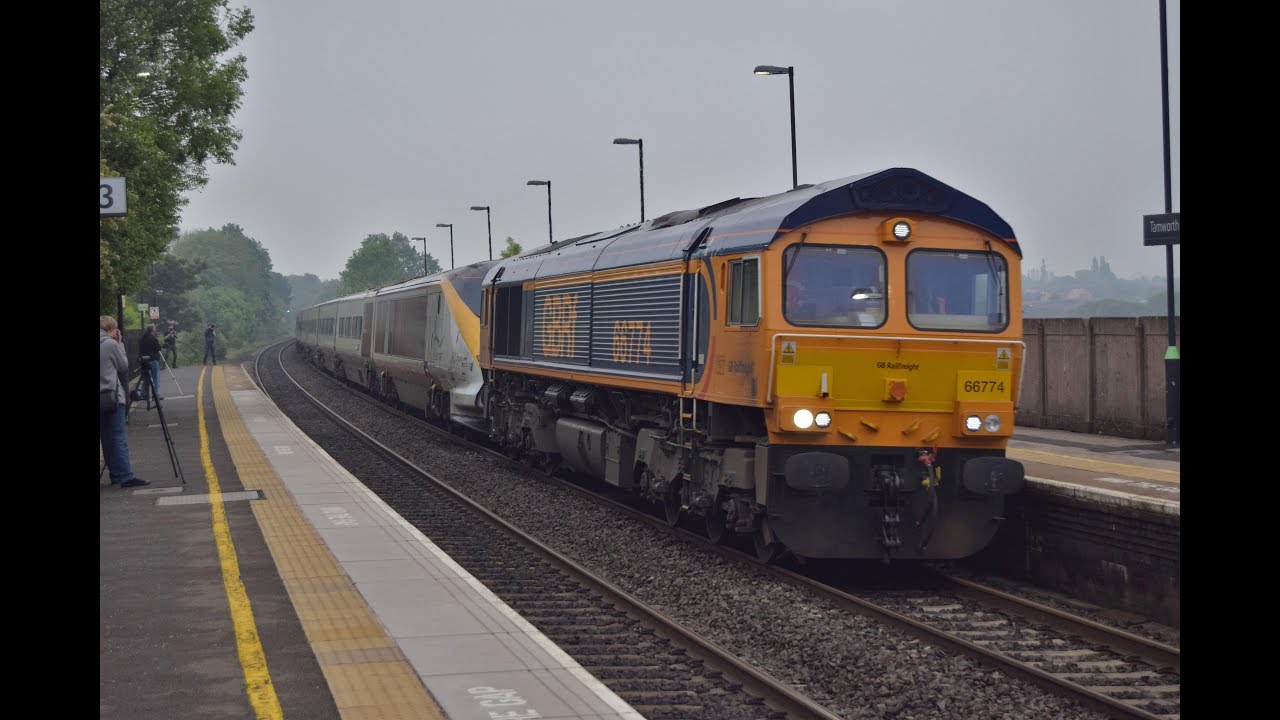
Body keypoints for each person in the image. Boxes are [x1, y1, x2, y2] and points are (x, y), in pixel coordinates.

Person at [100, 315, 149, 488]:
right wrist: (119, 343)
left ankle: (115, 473)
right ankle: (125, 476)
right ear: (111, 330)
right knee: (117, 436)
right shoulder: (110, 344)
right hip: (112, 396)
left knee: (106, 438)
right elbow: (123, 366)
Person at [139, 325, 163, 402]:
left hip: (144, 360)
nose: (155, 329)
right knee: (156, 378)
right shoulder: (153, 338)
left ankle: (144, 395)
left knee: (146, 378)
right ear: (152, 330)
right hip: (153, 360)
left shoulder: (143, 338)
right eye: (155, 328)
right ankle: (155, 395)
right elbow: (159, 348)